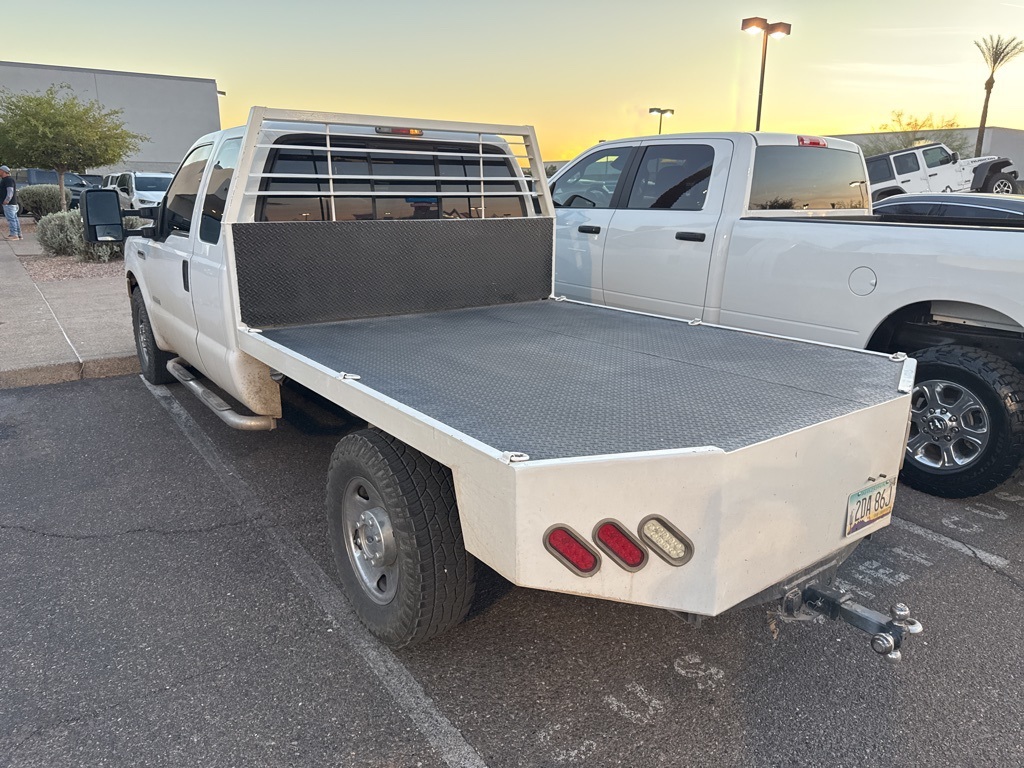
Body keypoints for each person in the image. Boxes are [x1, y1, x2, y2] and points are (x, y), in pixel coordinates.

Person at [0, 165, 22, 240]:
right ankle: (18, 234)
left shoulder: (8, 180)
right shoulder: (6, 180)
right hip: (11, 203)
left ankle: (14, 235)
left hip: (9, 204)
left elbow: (10, 191)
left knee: (11, 219)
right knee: (14, 218)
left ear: (3, 171)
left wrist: (7, 200)